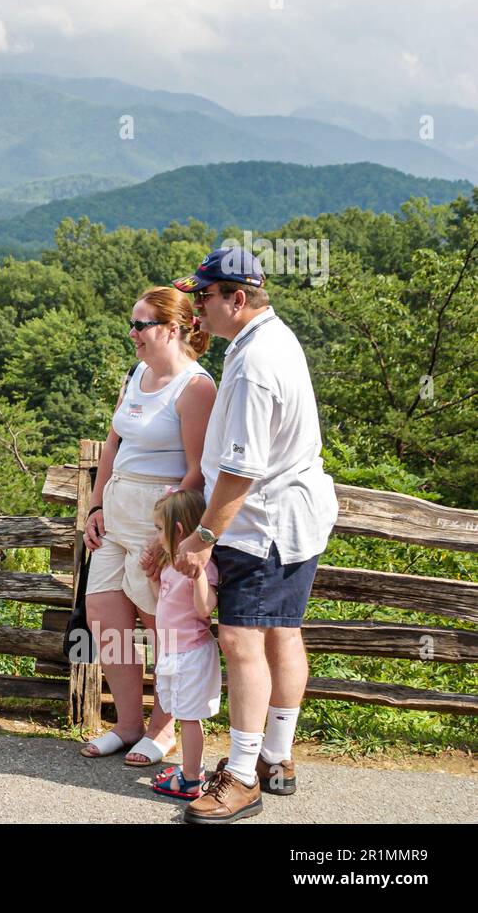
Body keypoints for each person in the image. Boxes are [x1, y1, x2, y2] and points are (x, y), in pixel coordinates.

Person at [166, 246, 339, 824]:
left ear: (237, 298)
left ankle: (241, 777)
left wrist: (204, 536)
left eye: (204, 297)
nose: (195, 309)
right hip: (295, 517)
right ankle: (276, 758)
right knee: (282, 634)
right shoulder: (270, 339)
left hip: (261, 523)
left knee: (242, 642)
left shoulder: (253, 365)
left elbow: (241, 468)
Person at [78, 286, 216, 767]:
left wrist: (166, 536)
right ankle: (128, 725)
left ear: (172, 330)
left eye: (141, 325)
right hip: (116, 513)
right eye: (132, 323)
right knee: (104, 616)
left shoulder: (196, 387)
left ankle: (163, 730)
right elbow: (112, 444)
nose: (132, 333)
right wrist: (95, 510)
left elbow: (198, 471)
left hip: (162, 516)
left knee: (164, 627)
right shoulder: (136, 373)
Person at [147, 488, 220, 800]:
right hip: (174, 651)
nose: (157, 536)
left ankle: (191, 778)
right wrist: (153, 578)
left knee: (190, 717)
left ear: (177, 530)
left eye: (159, 529)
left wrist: (199, 575)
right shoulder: (170, 563)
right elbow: (162, 602)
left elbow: (205, 608)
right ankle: (191, 769)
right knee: (181, 712)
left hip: (191, 653)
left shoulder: (200, 567)